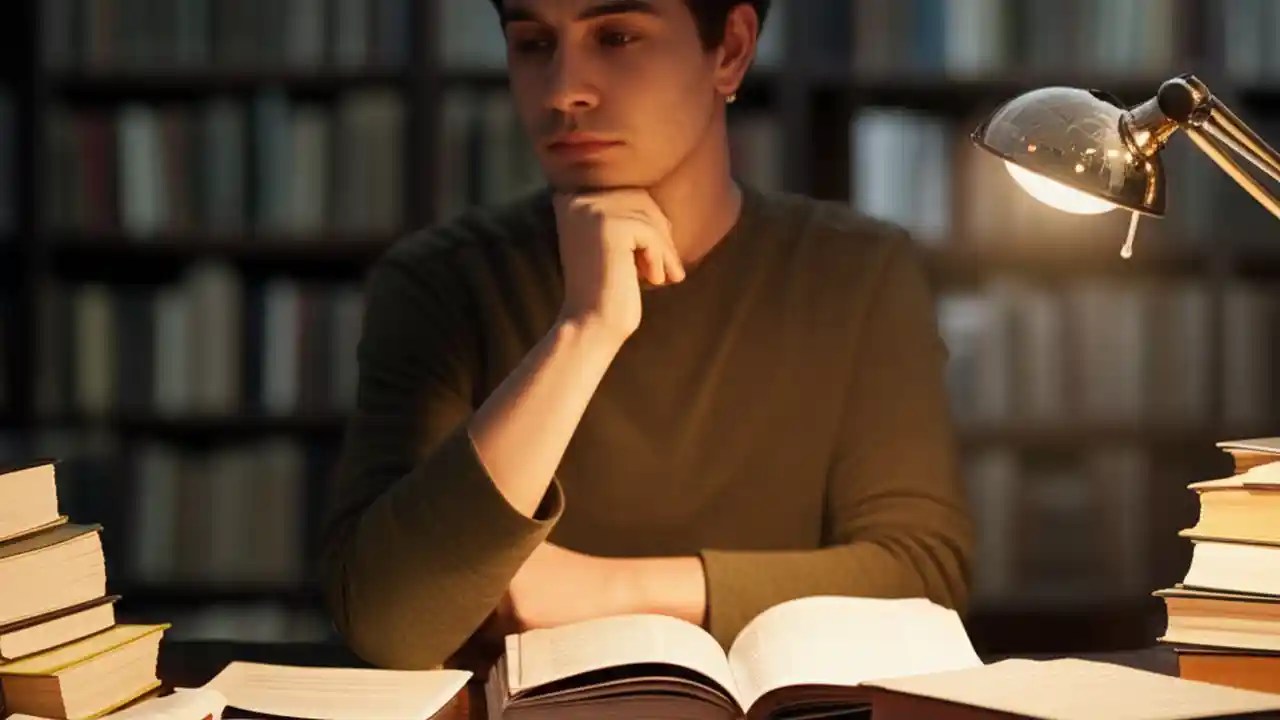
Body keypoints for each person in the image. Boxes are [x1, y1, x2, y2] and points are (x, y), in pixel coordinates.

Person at [321, 0, 973, 671]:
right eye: (533, 43)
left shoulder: (855, 270)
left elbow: (920, 577)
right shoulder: (440, 281)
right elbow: (388, 622)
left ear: (730, 51)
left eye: (618, 36)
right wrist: (584, 329)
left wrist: (604, 589)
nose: (564, 89)